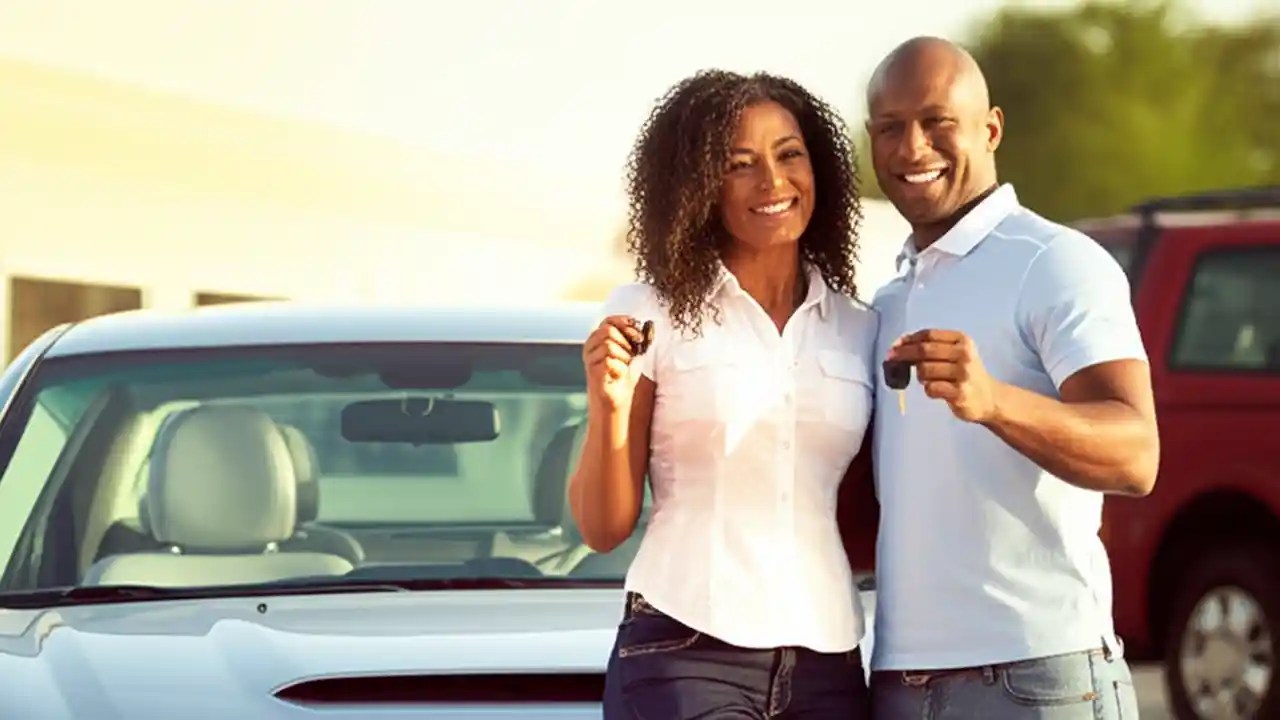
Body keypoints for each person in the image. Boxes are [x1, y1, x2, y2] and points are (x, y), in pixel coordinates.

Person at [862, 36, 1159, 718]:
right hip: (900, 683)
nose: (912, 149)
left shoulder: (1055, 261)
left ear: (990, 128)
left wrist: (994, 401)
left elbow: (1137, 454)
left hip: (1038, 679)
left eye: (938, 122)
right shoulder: (889, 301)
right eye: (889, 129)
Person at [569, 69, 879, 719]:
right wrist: (610, 405)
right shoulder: (650, 311)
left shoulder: (859, 327)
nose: (772, 182)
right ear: (699, 186)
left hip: (829, 659)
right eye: (740, 165)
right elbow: (602, 529)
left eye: (789, 155)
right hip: (686, 648)